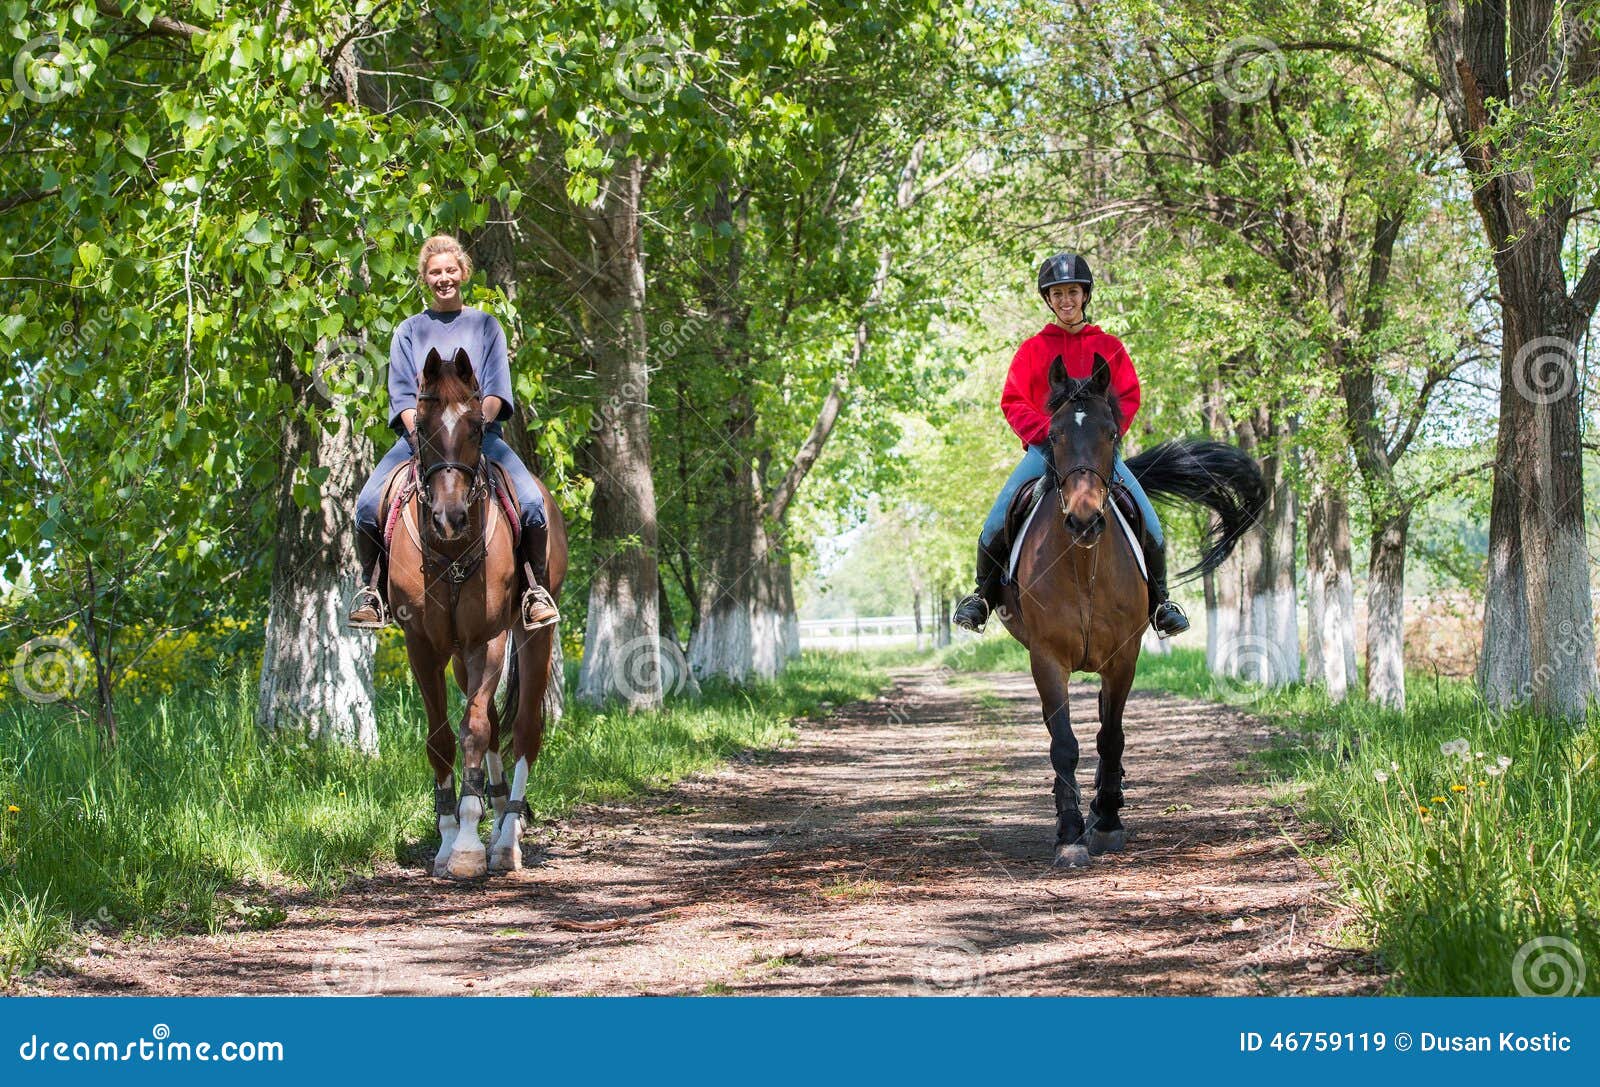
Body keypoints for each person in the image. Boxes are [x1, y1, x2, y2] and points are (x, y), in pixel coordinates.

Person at [952, 252, 1189, 638]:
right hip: (1047, 451)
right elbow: (1013, 400)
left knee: (1151, 522)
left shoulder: (1109, 346)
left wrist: (1103, 439)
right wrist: (1048, 434)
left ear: (1085, 295)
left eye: (1073, 292)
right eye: (1058, 293)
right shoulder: (1032, 349)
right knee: (998, 517)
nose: (1066, 300)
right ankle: (982, 597)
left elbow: (1127, 396)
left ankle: (1161, 604)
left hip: (1098, 454)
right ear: (1049, 299)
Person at [347, 234, 559, 631]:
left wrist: (473, 430)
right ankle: (373, 592)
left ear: (463, 273)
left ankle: (534, 591)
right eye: (434, 272)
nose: (443, 278)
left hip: (481, 439)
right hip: (420, 443)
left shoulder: (485, 326)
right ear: (424, 279)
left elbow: (497, 391)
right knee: (365, 506)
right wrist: (422, 438)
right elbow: (402, 397)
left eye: (450, 270)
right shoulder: (408, 332)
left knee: (531, 502)